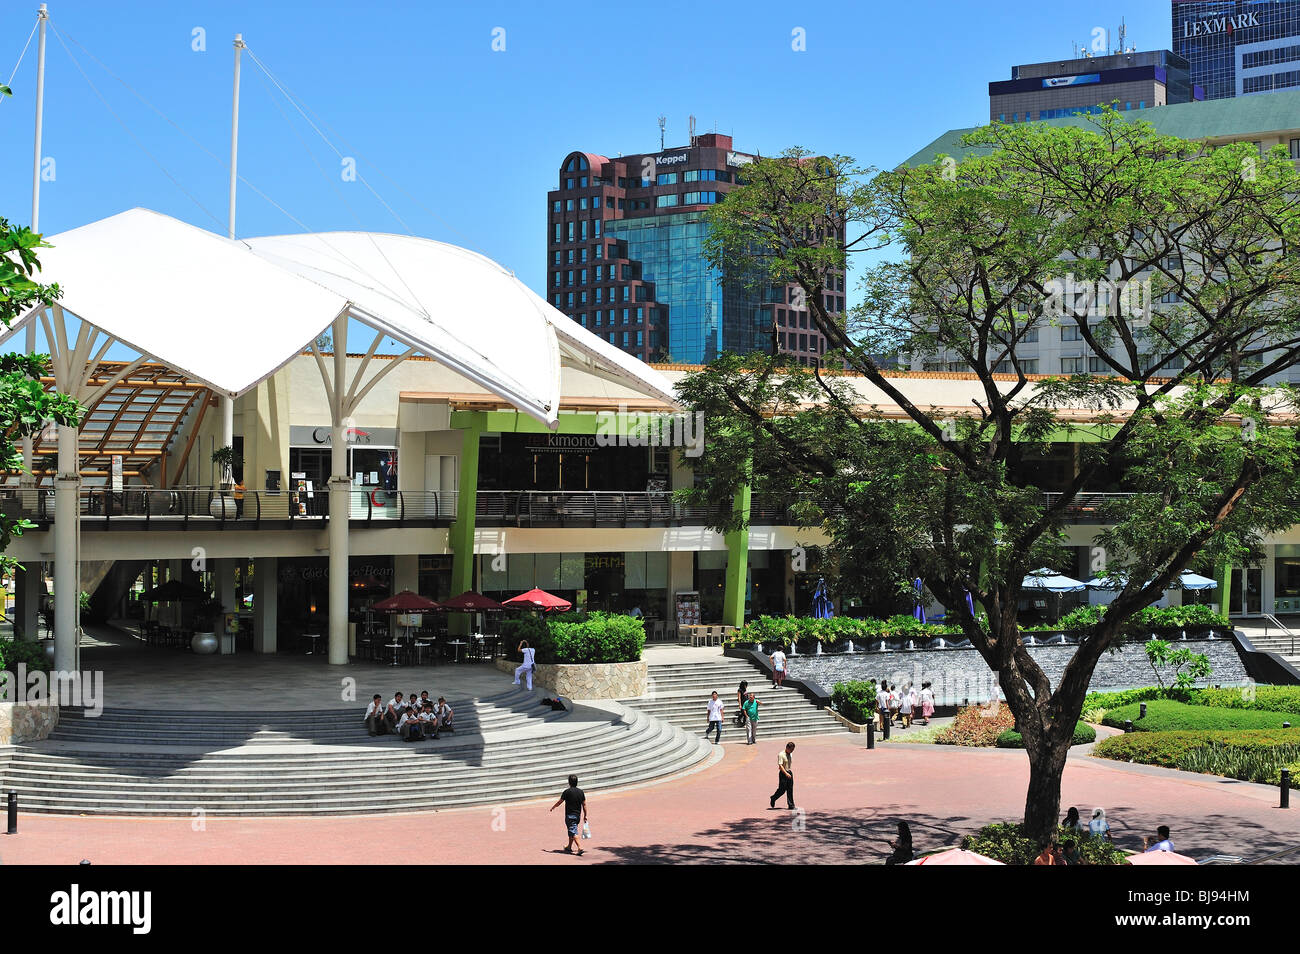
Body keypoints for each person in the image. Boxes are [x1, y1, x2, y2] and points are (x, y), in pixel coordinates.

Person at [549, 774, 588, 856]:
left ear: (569, 782)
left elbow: (560, 801)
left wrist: (553, 807)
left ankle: (580, 847)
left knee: (573, 831)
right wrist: (585, 815)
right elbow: (584, 804)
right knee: (572, 830)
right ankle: (569, 847)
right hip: (578, 816)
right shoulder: (581, 792)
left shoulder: (567, 792)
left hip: (570, 815)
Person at [770, 741, 796, 810]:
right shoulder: (781, 754)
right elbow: (780, 766)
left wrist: (789, 773)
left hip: (789, 772)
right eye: (791, 749)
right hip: (783, 773)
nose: (792, 751)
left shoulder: (790, 754)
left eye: (793, 750)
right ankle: (773, 798)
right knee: (782, 790)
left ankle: (791, 805)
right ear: (787, 747)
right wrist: (786, 773)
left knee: (790, 789)